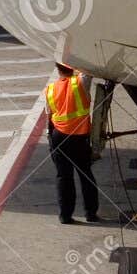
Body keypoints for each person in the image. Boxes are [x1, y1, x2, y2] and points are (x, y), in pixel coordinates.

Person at [45, 63, 100, 224]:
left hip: (58, 136)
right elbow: (88, 68)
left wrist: (50, 141)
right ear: (73, 68)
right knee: (85, 174)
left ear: (58, 69)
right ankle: (90, 213)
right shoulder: (80, 82)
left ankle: (65, 215)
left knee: (64, 176)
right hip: (79, 136)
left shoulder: (50, 89)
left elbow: (49, 115)